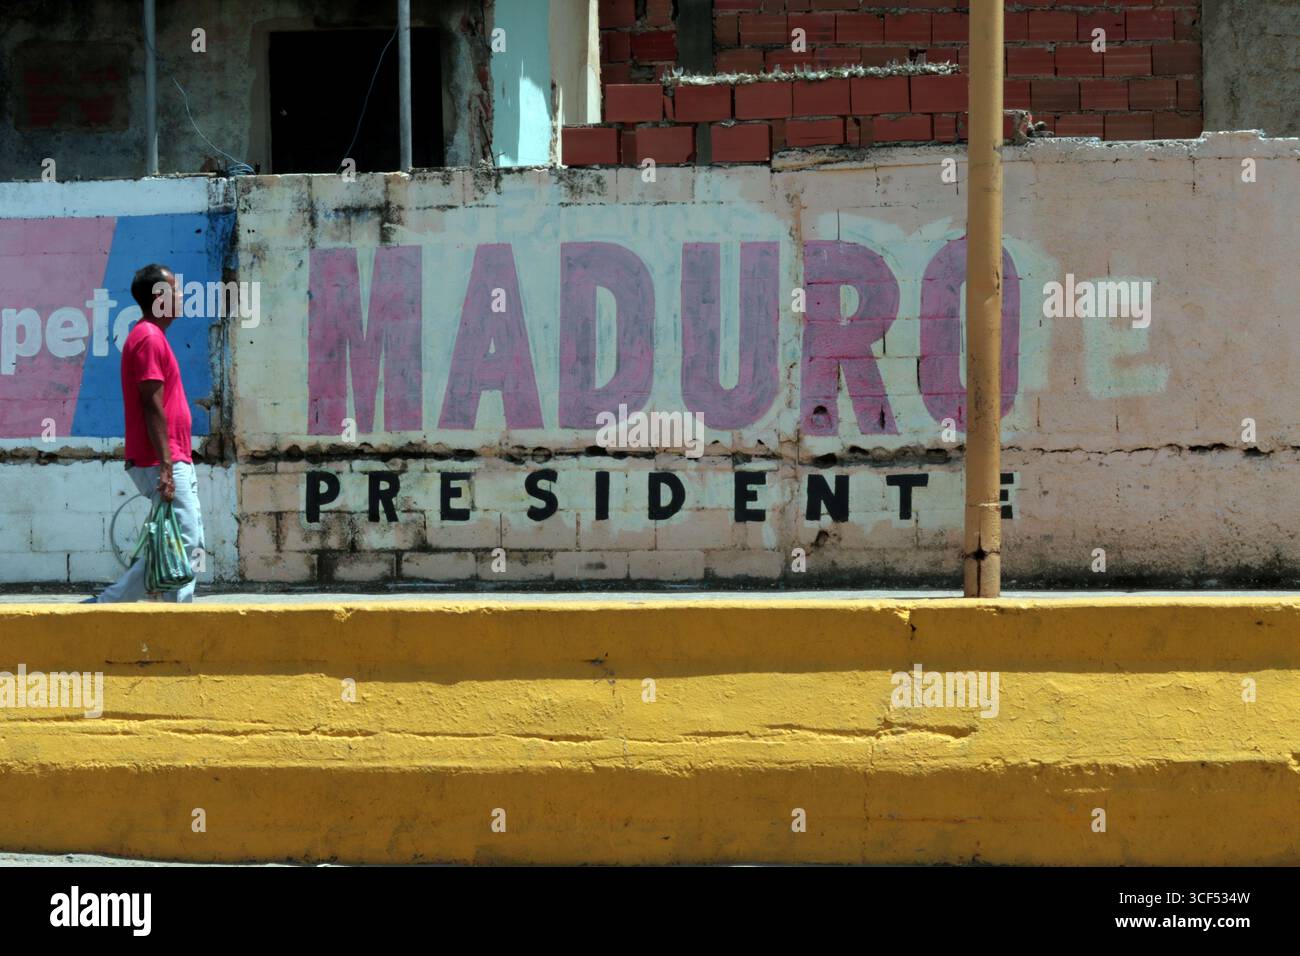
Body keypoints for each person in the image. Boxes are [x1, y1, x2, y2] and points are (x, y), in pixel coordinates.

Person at [89, 264, 205, 603]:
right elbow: (151, 404)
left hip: (166, 456)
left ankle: (109, 606)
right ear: (159, 297)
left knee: (169, 542)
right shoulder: (149, 338)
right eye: (176, 290)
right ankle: (175, 619)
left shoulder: (151, 336)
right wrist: (167, 466)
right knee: (186, 541)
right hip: (161, 459)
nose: (181, 296)